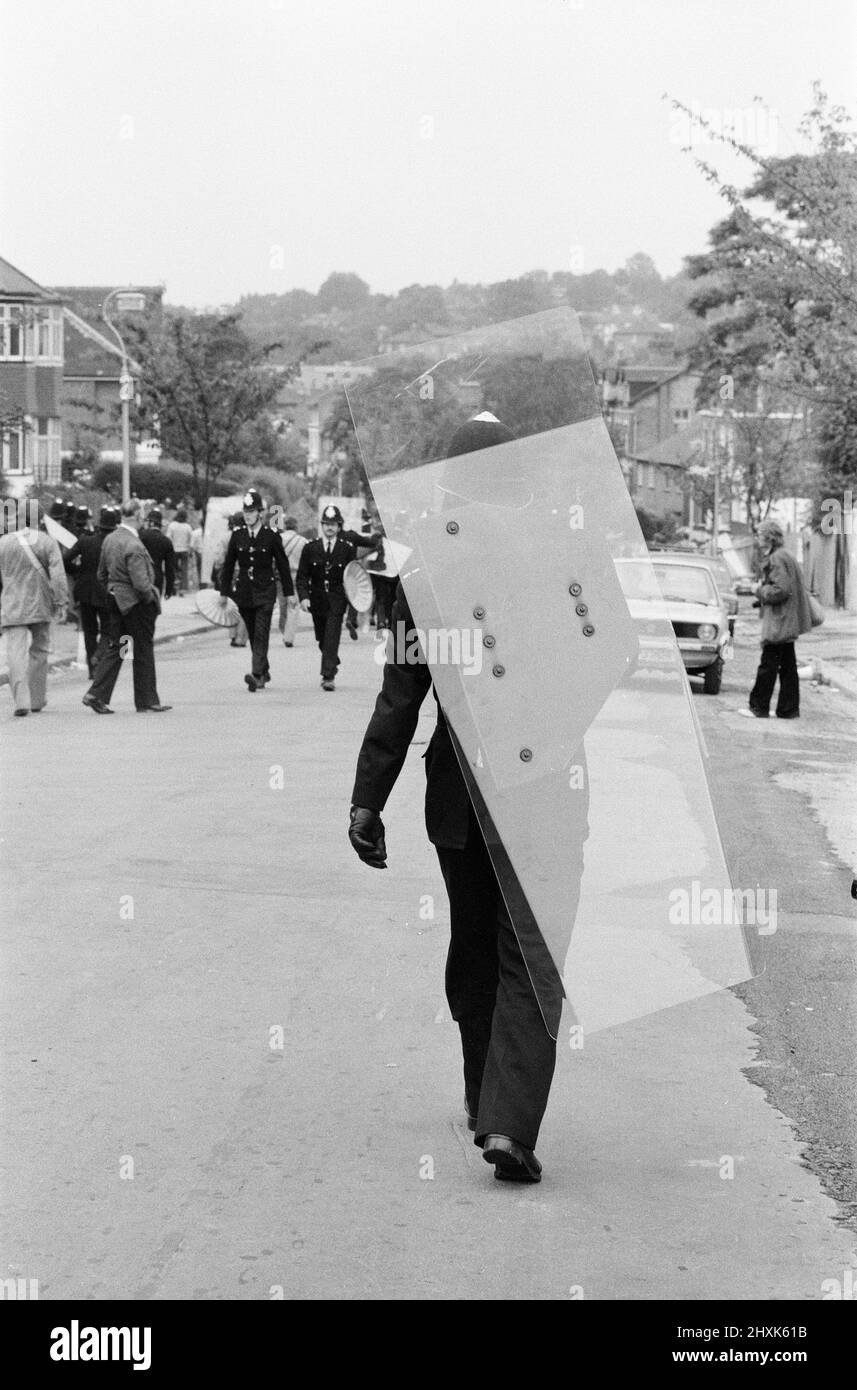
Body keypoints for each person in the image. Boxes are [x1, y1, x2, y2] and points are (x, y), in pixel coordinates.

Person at [348, 415, 578, 1184]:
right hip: (544, 786)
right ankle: (507, 1122)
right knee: (531, 955)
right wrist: (553, 719)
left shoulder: (429, 572)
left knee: (476, 946)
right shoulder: (562, 550)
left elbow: (400, 694)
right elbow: (615, 652)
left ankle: (487, 1103)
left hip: (457, 793)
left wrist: (366, 799)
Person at [83, 500, 171, 714]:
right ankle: (146, 699)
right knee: (143, 649)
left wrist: (113, 590)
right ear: (138, 516)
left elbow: (101, 574)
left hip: (116, 601)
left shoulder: (111, 539)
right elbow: (141, 583)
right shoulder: (133, 544)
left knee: (119, 646)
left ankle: (97, 692)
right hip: (136, 605)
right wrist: (150, 597)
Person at [296, 506, 382, 690]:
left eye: (333, 524)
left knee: (332, 636)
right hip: (316, 599)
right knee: (322, 638)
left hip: (337, 599)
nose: (329, 528)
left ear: (339, 526)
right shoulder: (310, 548)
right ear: (322, 526)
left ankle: (328, 677)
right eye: (326, 524)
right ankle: (332, 660)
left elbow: (352, 575)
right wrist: (303, 597)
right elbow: (302, 576)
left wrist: (353, 603)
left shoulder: (346, 548)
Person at [218, 490, 292, 690]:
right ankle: (264, 670)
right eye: (246, 511)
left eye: (252, 511)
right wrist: (224, 593)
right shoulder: (238, 535)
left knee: (261, 633)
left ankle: (256, 674)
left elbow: (283, 566)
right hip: (244, 592)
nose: (248, 515)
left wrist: (289, 593)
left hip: (265, 592)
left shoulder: (271, 536)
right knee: (252, 633)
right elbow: (228, 565)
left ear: (260, 513)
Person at [741, 519, 814, 720]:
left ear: (769, 537)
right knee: (788, 667)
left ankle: (758, 707)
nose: (757, 538)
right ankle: (788, 709)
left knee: (768, 664)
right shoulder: (786, 555)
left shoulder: (776, 559)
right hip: (788, 618)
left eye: (760, 534)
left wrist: (759, 590)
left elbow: (781, 590)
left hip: (780, 620)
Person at [0, 501, 68, 716]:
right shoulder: (47, 542)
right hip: (40, 604)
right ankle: (37, 699)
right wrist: (61, 602)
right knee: (39, 651)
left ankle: (21, 700)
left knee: (15, 653)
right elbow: (58, 576)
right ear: (40, 519)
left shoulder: (4, 542)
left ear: (19, 517)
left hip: (12, 605)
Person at [64, 504, 118, 678]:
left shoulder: (85, 541)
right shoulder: (114, 544)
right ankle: (98, 656)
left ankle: (92, 669)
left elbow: (65, 560)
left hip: (85, 590)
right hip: (106, 591)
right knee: (108, 629)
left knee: (89, 631)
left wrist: (77, 572)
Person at [273, 514, 306, 647]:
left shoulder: (278, 539)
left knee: (282, 604)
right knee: (293, 605)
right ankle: (289, 637)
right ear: (296, 526)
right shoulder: (302, 541)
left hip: (280, 575)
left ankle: (283, 630)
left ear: (285, 526)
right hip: (296, 575)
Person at [139, 508, 176, 600]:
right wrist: (169, 589)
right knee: (154, 608)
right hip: (157, 578)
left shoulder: (141, 536)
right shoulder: (167, 541)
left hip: (141, 575)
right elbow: (169, 568)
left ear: (150, 523)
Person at [166, 507, 193, 595]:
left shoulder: (172, 525)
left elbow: (168, 537)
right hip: (184, 550)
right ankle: (183, 589)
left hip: (174, 550)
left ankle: (173, 587)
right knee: (184, 570)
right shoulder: (188, 527)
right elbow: (191, 539)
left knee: (173, 569)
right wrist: (190, 549)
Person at [190, 516, 204, 589]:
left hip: (199, 553)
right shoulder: (211, 532)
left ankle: (201, 584)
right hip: (208, 554)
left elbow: (192, 545)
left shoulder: (195, 532)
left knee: (199, 569)